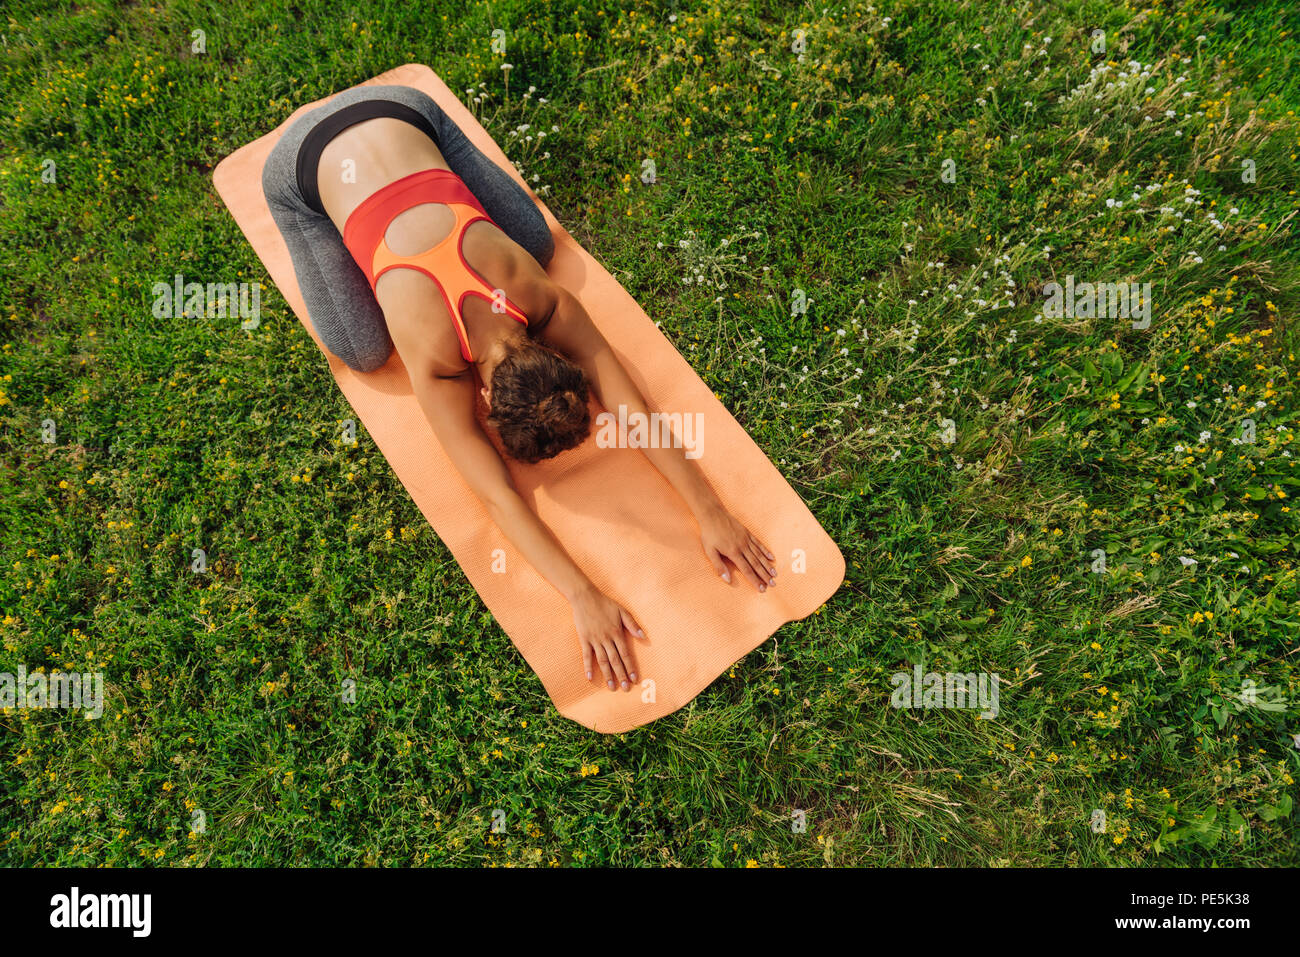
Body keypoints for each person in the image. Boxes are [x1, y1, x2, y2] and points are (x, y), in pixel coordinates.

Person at [263, 85, 775, 693]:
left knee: (536, 243)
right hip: (307, 160)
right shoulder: (438, 359)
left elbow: (630, 408)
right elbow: (497, 496)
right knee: (364, 350)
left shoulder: (542, 299)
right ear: (486, 398)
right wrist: (580, 593)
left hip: (407, 110)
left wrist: (710, 510)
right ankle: (302, 200)